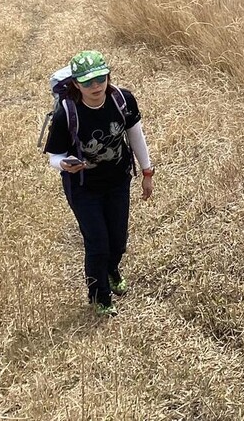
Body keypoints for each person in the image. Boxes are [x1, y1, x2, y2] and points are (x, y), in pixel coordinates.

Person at [42, 50, 155, 317]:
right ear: (75, 84)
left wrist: (147, 173)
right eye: (87, 82)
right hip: (83, 187)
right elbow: (53, 156)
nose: (96, 86)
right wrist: (64, 164)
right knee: (97, 243)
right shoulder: (66, 114)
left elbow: (135, 135)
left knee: (118, 241)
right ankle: (99, 296)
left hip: (117, 180)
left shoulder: (122, 100)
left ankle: (112, 269)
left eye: (100, 79)